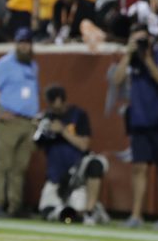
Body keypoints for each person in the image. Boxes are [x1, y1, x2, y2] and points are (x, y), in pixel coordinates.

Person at [113, 24, 158, 229]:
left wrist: (148, 59)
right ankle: (136, 214)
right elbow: (116, 81)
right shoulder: (131, 58)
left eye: (143, 40)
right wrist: (127, 54)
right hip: (139, 119)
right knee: (138, 167)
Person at [0, 28, 40, 217]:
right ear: (16, 43)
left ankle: (15, 206)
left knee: (20, 168)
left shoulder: (32, 65)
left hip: (28, 122)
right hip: (10, 121)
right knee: (3, 164)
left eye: (27, 43)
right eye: (21, 42)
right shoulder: (6, 63)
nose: (24, 46)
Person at [35, 85, 110, 225]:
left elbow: (84, 145)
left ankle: (91, 211)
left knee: (96, 164)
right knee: (48, 211)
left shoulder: (78, 115)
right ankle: (78, 212)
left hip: (76, 176)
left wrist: (62, 130)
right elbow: (36, 144)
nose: (50, 106)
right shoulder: (47, 117)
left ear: (58, 100)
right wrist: (39, 128)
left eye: (51, 102)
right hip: (55, 177)